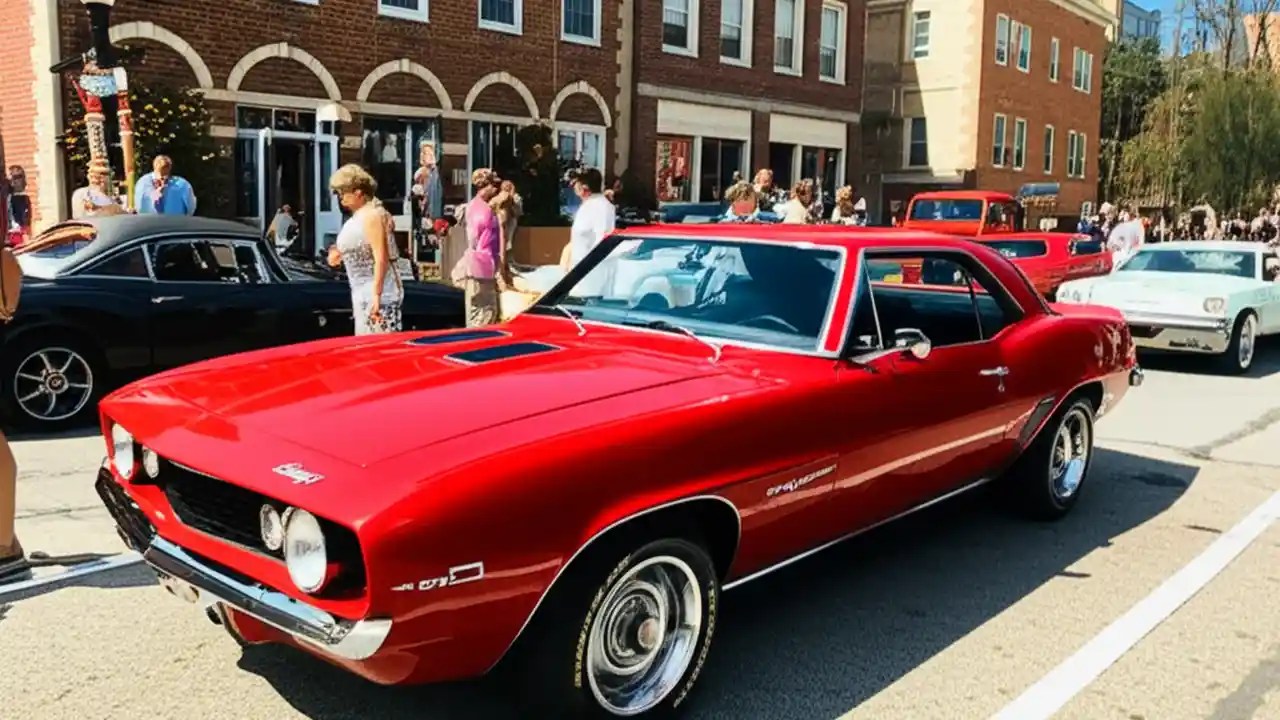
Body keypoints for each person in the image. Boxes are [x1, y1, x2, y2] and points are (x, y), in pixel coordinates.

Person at [326, 164, 403, 334]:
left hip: (376, 291)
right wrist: (337, 252)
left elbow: (380, 257)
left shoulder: (373, 215)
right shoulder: (357, 217)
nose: (340, 198)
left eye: (343, 192)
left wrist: (377, 295)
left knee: (377, 347)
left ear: (358, 192)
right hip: (360, 290)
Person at [452, 168, 503, 326]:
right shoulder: (485, 211)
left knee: (476, 314)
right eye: (493, 185)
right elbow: (490, 244)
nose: (496, 189)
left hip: (474, 265)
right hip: (483, 268)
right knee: (485, 315)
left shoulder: (472, 206)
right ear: (485, 186)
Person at [566, 168, 617, 294]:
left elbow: (602, 241)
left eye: (576, 182)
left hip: (593, 277)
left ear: (585, 186)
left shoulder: (602, 207)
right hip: (578, 272)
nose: (573, 185)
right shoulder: (587, 205)